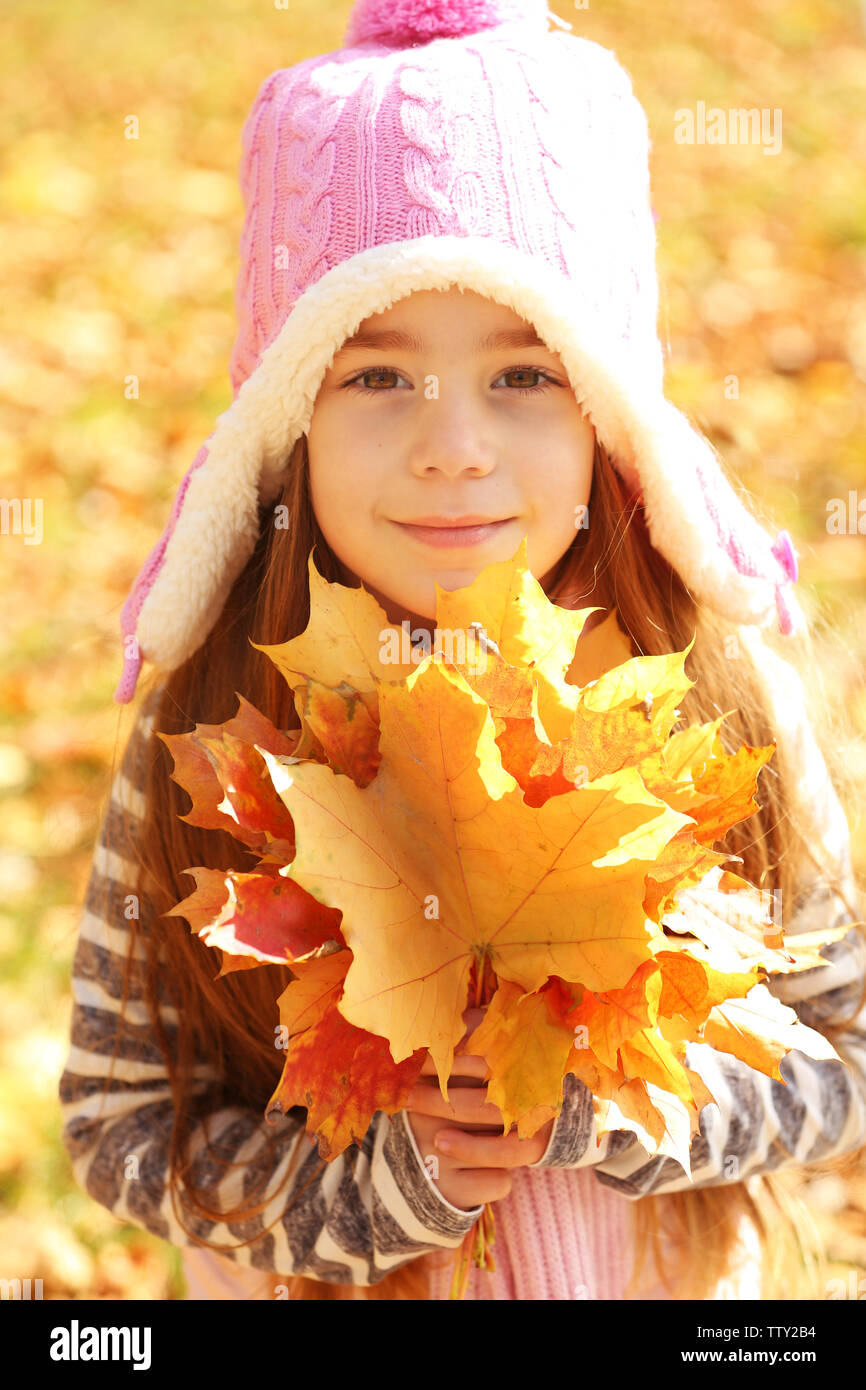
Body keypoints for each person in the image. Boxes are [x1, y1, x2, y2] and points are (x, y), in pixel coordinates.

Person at [58, 0, 866, 1301]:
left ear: (612, 420)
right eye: (375, 377)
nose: (452, 446)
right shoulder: (220, 731)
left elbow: (841, 1054)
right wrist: (372, 1189)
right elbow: (118, 1119)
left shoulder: (706, 705)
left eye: (524, 376)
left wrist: (614, 1099)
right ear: (287, 421)